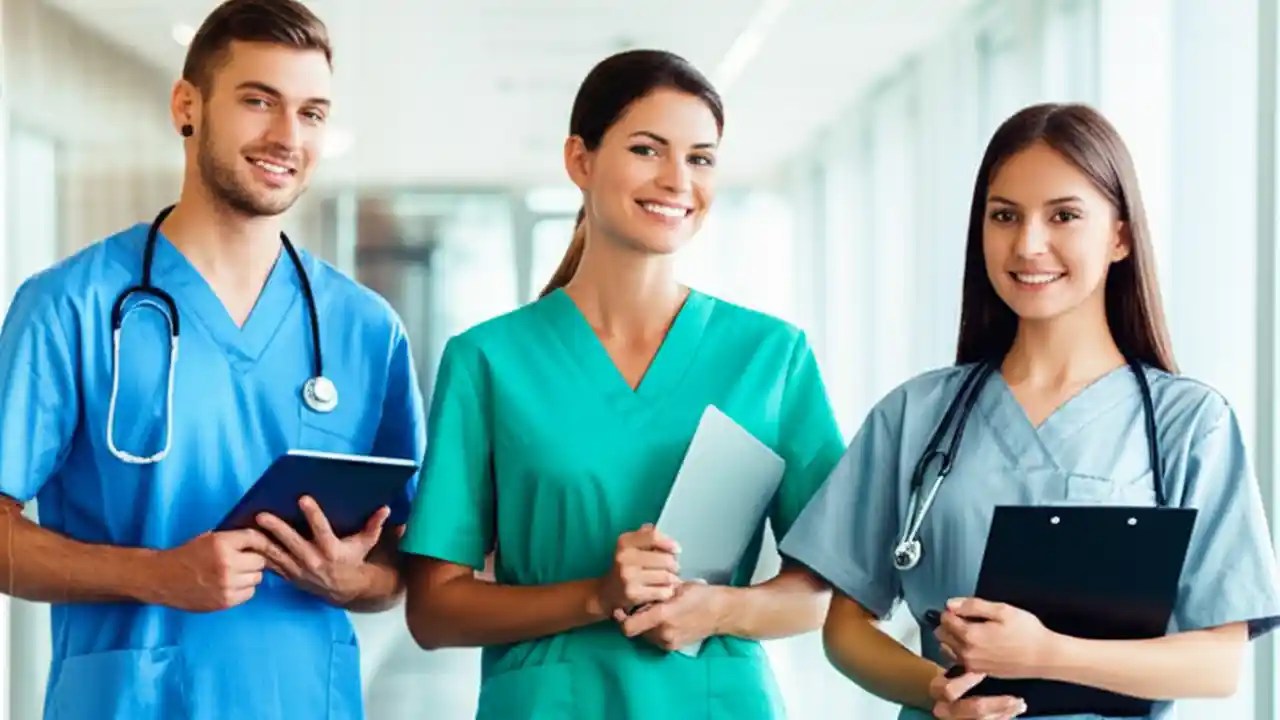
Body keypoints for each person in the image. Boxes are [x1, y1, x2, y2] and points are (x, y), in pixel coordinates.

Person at [778, 102, 1280, 720]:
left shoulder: (1189, 423)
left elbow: (1217, 664)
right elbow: (846, 630)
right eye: (1004, 216)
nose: (1028, 244)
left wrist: (1045, 654)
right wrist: (936, 692)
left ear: (1119, 236)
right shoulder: (916, 414)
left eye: (1064, 215)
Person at [0, 1, 425, 718]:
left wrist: (349, 579)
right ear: (187, 106)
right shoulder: (68, 306)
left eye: (312, 112)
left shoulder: (365, 330)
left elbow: (403, 567)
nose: (288, 136)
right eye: (259, 102)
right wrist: (155, 575)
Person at [401, 49, 846, 719]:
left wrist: (721, 608)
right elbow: (433, 611)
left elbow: (832, 591)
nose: (677, 180)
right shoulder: (489, 361)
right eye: (647, 149)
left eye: (700, 158)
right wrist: (593, 596)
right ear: (580, 160)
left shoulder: (770, 357)